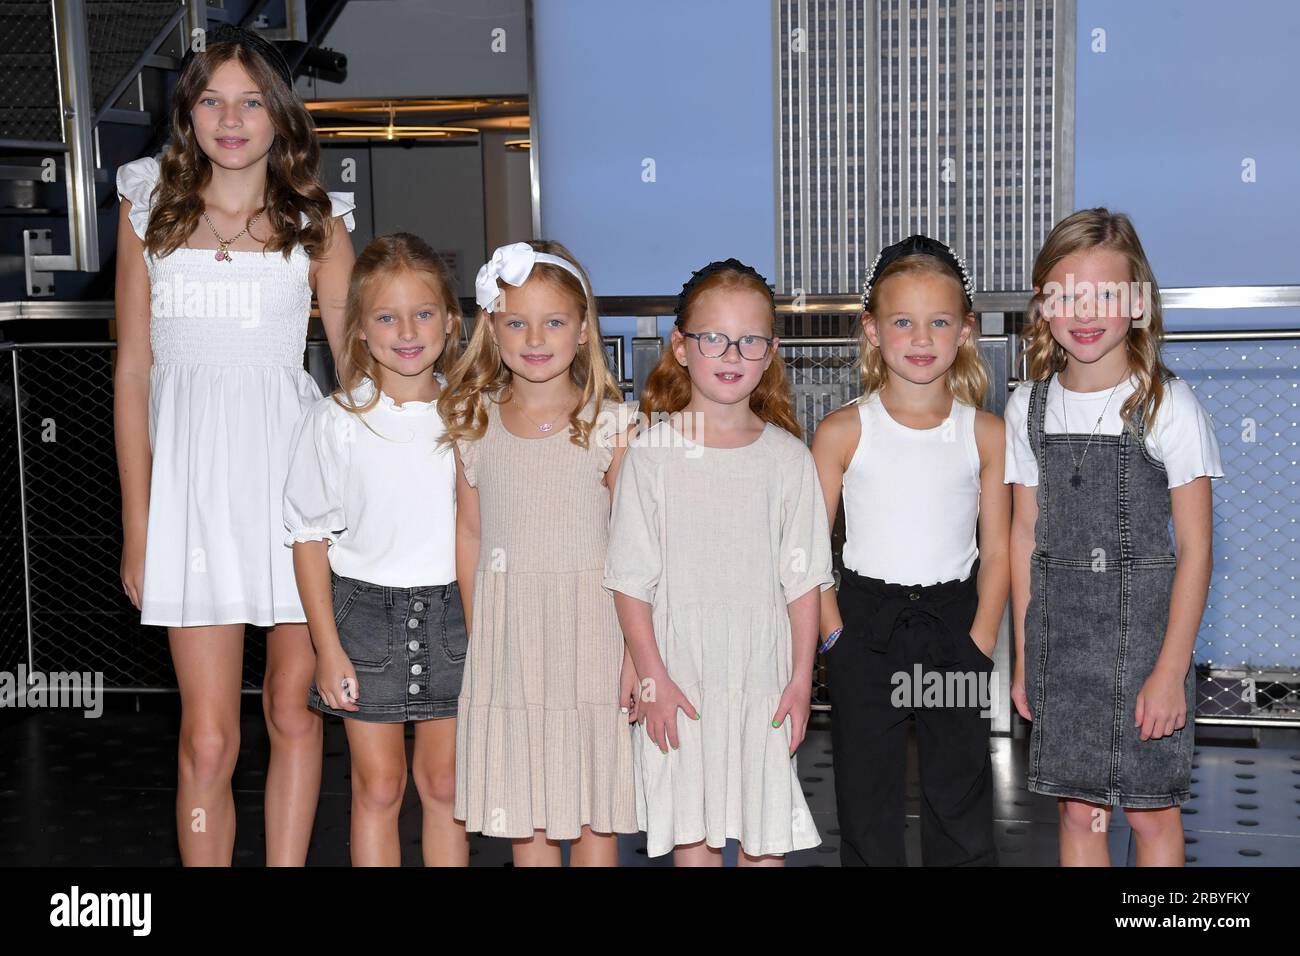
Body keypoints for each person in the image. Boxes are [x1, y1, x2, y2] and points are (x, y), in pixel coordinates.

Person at [113, 24, 355, 865]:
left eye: (251, 101)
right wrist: (139, 526)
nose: (231, 117)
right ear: (189, 114)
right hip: (190, 496)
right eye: (212, 99)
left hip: (294, 493)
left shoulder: (317, 222)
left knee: (295, 711)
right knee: (208, 741)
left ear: (281, 118)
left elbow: (363, 374)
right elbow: (134, 374)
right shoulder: (147, 207)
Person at [1006, 208, 1222, 866]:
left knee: (1152, 815)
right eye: (1066, 293)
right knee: (1080, 813)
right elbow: (1024, 537)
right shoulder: (1027, 406)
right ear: (1044, 304)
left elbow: (1197, 551)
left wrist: (1169, 671)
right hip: (1063, 652)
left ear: (1137, 303)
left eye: (1105, 292)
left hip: (1149, 649)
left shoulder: (1167, 405)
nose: (1085, 309)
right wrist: (1024, 658)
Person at [605, 257, 834, 865]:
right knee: (692, 834)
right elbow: (631, 578)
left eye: (750, 340)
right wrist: (650, 673)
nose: (732, 353)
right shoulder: (650, 455)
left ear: (769, 352)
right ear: (681, 347)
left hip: (761, 674)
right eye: (714, 338)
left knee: (765, 839)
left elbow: (804, 579)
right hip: (679, 669)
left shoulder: (788, 459)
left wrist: (800, 680)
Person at [812, 235, 1009, 866]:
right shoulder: (842, 431)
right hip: (865, 629)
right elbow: (808, 548)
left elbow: (999, 551)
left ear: (964, 331)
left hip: (954, 625)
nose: (920, 338)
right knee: (866, 800)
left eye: (939, 322)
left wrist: (979, 641)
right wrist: (834, 638)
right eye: (903, 321)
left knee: (959, 795)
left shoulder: (984, 433)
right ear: (872, 330)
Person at [284, 233, 466, 865]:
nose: (407, 330)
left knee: (446, 787)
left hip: (457, 614)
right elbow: (308, 537)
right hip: (363, 621)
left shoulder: (472, 415)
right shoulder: (335, 420)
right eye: (387, 316)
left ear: (450, 320)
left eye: (423, 313)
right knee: (378, 787)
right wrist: (327, 646)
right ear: (359, 328)